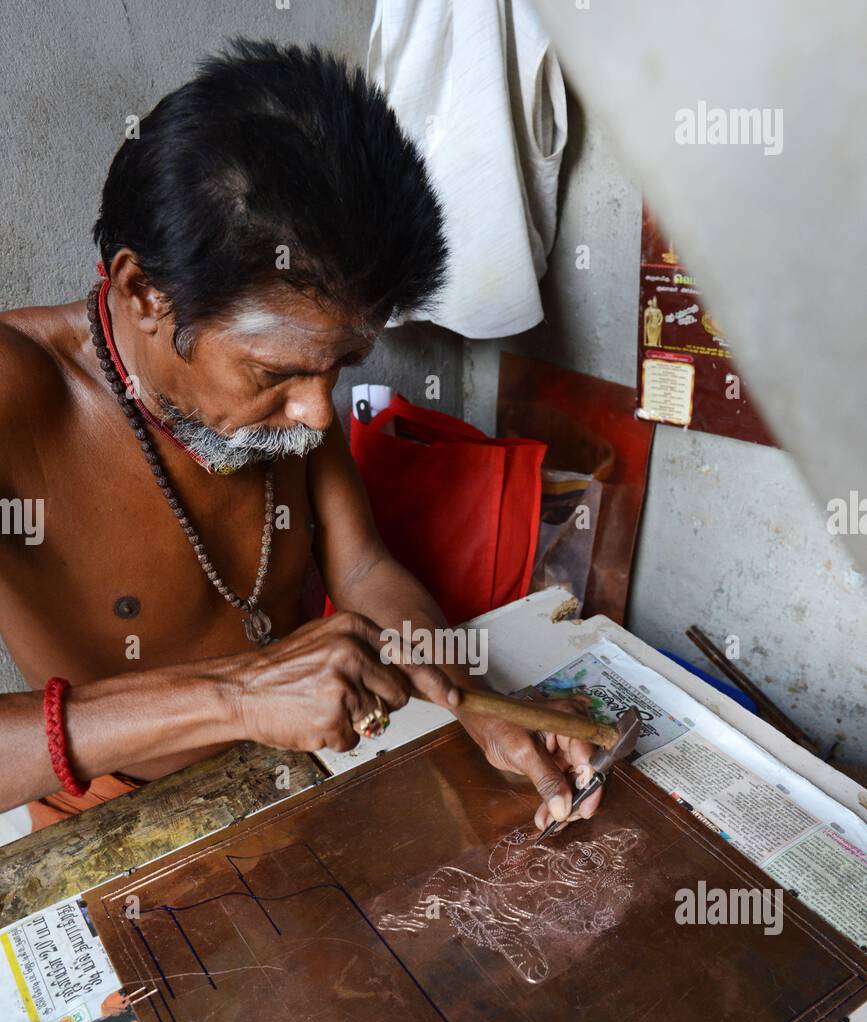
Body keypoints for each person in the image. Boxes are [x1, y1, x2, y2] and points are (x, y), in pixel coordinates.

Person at [0, 39, 601, 835]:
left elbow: (362, 568)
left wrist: (470, 701)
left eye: (344, 365)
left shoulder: (299, 388)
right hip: (119, 812)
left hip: (314, 767)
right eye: (273, 373)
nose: (320, 415)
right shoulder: (17, 394)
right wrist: (238, 695)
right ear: (142, 292)